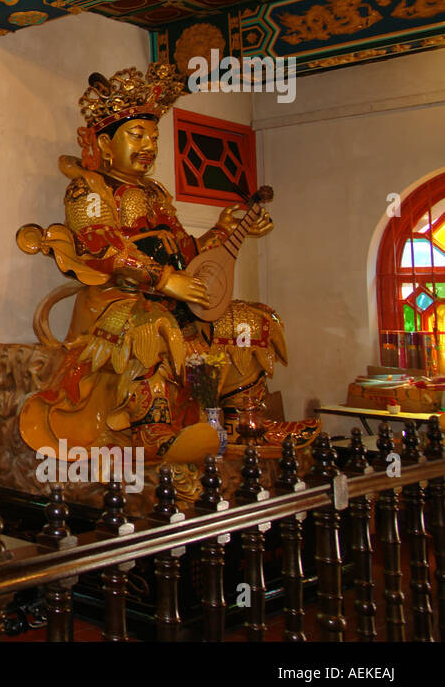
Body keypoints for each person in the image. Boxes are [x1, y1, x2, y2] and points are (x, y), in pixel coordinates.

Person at [17, 63, 317, 464]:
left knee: (248, 320)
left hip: (171, 294)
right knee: (153, 328)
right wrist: (163, 280)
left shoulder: (156, 191)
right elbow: (103, 249)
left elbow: (182, 250)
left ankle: (245, 419)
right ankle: (151, 428)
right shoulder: (88, 188)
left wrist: (224, 232)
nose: (148, 146)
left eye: (154, 137)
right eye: (136, 134)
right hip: (115, 302)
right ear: (105, 144)